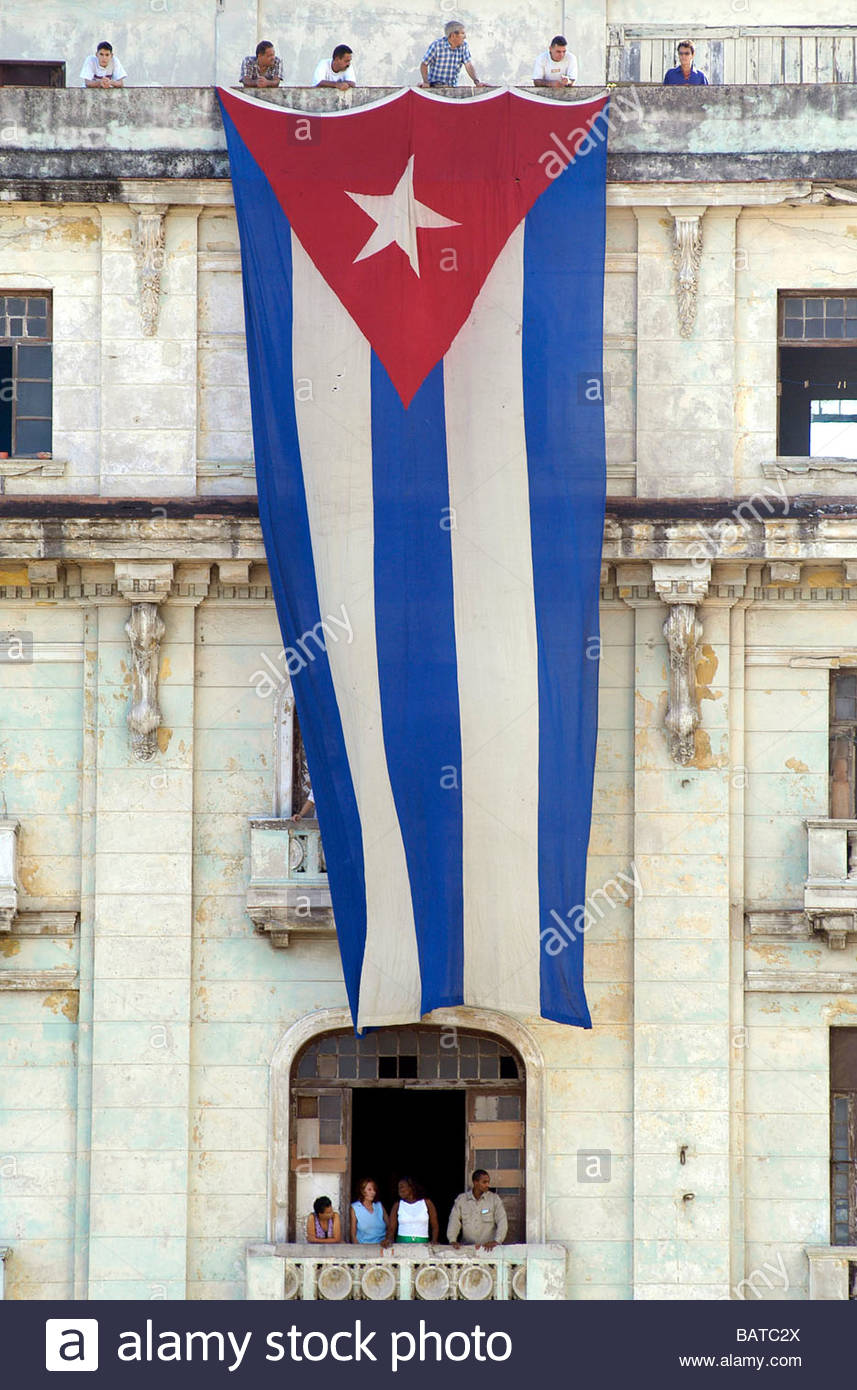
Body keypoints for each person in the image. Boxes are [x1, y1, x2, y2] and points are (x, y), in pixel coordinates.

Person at [447, 1169, 508, 1250]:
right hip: (467, 1248)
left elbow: (502, 1221)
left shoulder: (494, 1199)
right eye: (484, 1182)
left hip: (488, 1249)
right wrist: (452, 1240)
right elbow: (454, 1221)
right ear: (475, 1182)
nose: (487, 1185)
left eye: (488, 1182)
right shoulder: (462, 1200)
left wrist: (497, 1241)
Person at [420, 21, 483, 89]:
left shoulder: (464, 46)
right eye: (462, 33)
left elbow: (468, 65)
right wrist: (426, 82)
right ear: (453, 35)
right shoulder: (437, 45)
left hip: (452, 88)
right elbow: (424, 64)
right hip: (434, 87)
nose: (465, 37)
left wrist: (476, 82)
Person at [386, 1176, 439, 1244]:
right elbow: (391, 1229)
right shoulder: (397, 1205)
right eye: (398, 1188)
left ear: (411, 1187)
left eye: (402, 1187)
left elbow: (435, 1226)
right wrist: (389, 1239)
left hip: (423, 1244)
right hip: (402, 1244)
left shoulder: (427, 1203)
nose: (400, 1190)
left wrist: (434, 1240)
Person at [350, 1177, 388, 1244]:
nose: (373, 1192)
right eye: (369, 1190)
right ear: (362, 1191)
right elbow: (353, 1234)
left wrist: (387, 1240)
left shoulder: (379, 1206)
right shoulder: (355, 1208)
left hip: (382, 1247)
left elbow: (390, 1226)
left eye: (374, 1190)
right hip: (363, 1247)